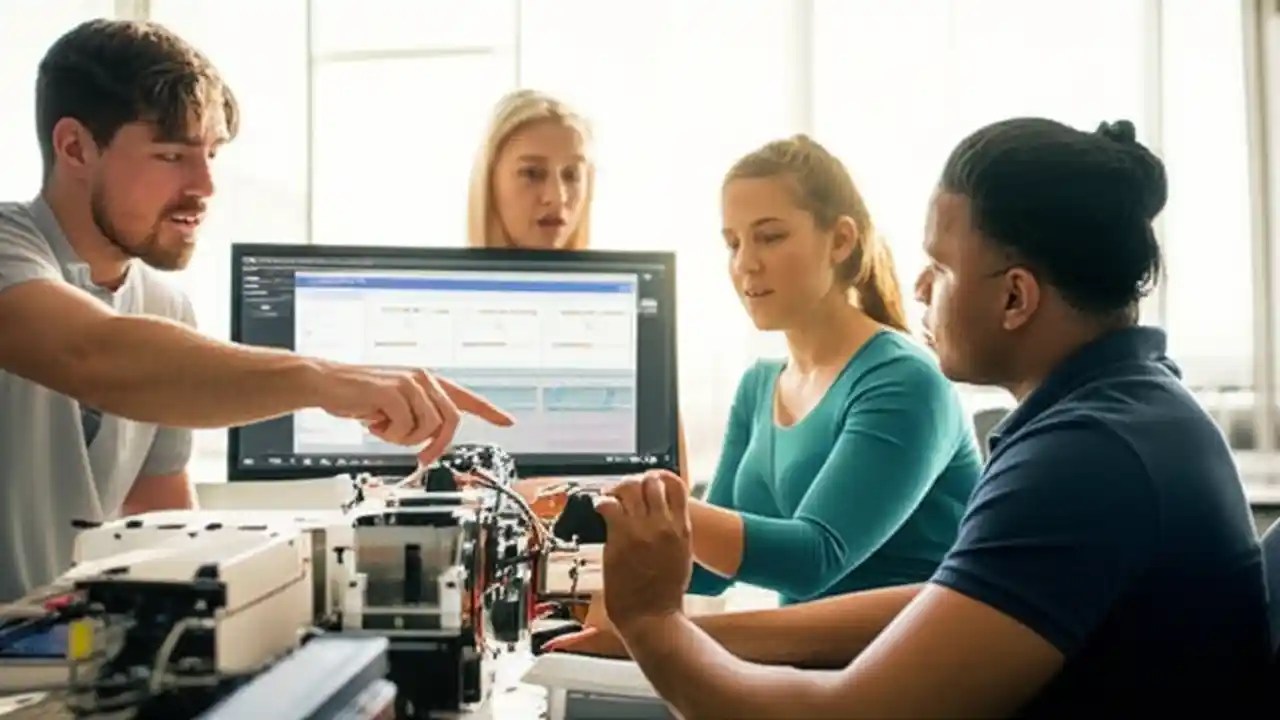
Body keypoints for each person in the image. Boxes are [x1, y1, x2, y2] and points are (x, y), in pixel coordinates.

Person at [549, 118, 1273, 717]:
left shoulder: (1088, 457)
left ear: (1015, 298)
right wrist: (683, 627)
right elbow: (952, 597)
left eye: (943, 266)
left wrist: (654, 628)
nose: (920, 285)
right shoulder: (1116, 415)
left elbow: (850, 714)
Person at [0, 19, 513, 604]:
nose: (206, 185)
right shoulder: (8, 252)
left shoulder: (165, 308)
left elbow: (162, 530)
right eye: (171, 155)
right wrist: (323, 380)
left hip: (58, 668)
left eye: (212, 153)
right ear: (75, 147)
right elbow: (90, 353)